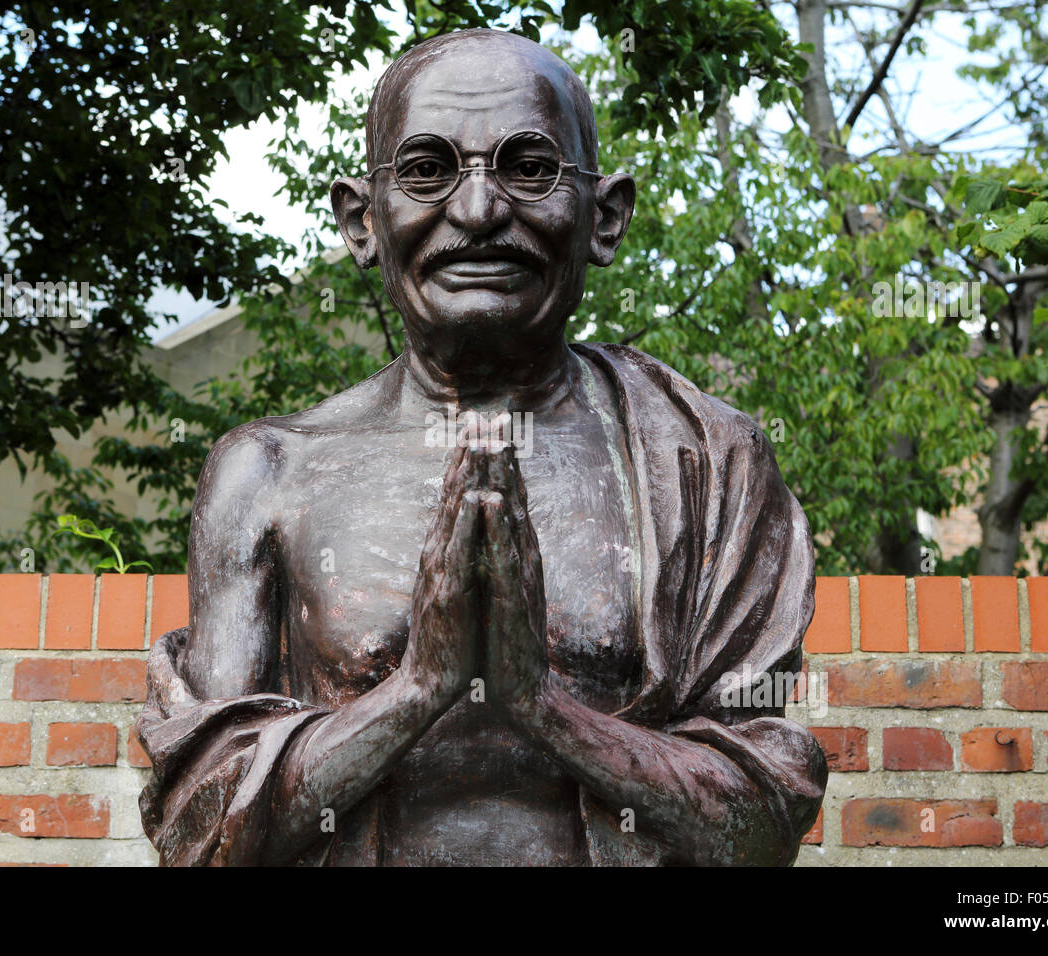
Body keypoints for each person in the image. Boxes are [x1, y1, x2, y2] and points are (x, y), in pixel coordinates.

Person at [138, 27, 827, 866]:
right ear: (362, 220)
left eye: (528, 168)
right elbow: (200, 830)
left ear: (603, 218)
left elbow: (759, 821)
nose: (477, 212)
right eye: (426, 171)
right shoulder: (269, 472)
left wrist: (541, 706)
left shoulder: (706, 463)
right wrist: (419, 688)